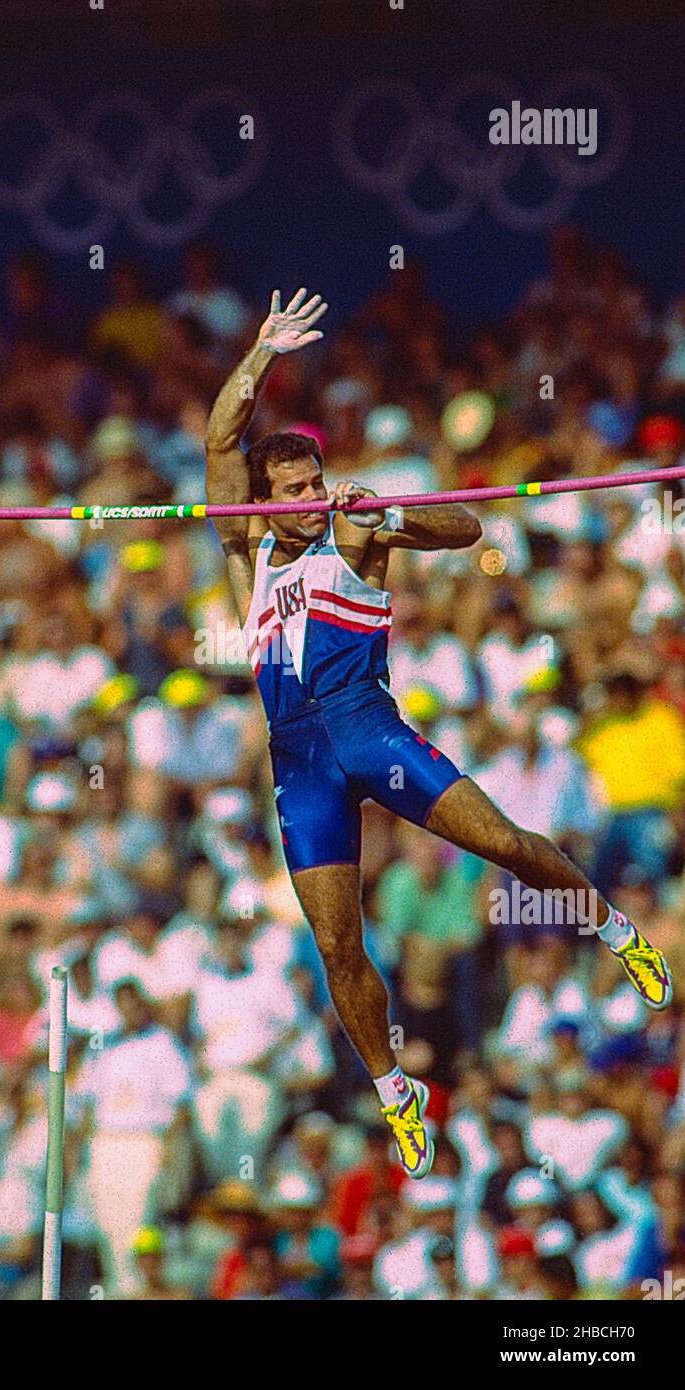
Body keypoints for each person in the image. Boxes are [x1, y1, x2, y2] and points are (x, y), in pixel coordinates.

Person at [204, 286, 674, 1181]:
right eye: (292, 492)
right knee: (338, 944)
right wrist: (262, 350)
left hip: (369, 731)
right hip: (299, 762)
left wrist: (386, 513)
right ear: (262, 502)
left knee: (501, 842)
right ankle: (394, 1093)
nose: (307, 501)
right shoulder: (246, 553)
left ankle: (613, 928)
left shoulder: (355, 538)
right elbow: (221, 441)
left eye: (313, 486)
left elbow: (467, 527)